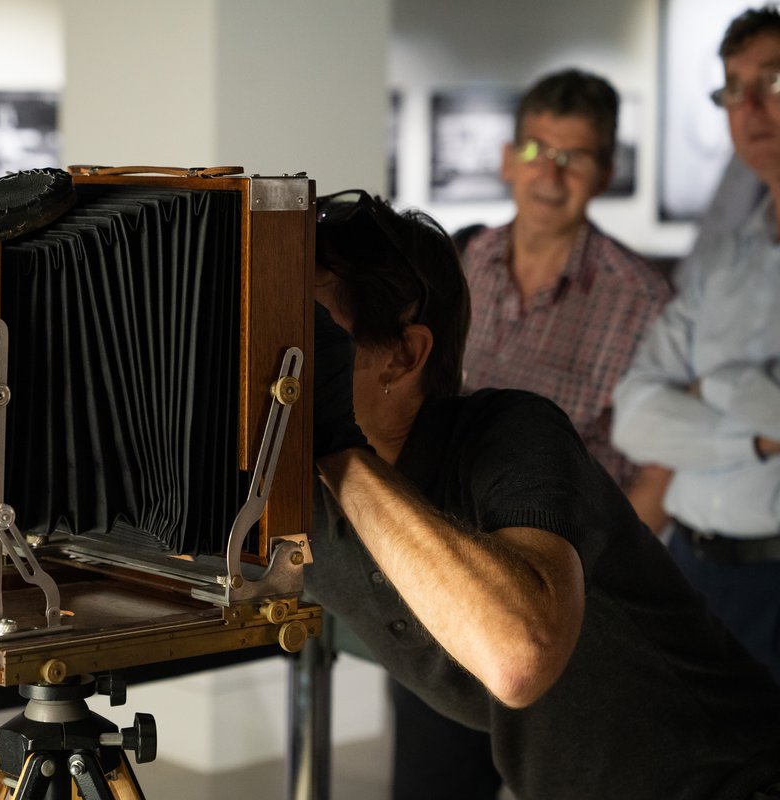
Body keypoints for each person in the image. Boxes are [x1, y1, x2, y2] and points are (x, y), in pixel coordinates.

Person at [307, 188, 780, 799]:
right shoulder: (297, 473)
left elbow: (518, 657)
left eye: (317, 332)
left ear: (402, 354)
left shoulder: (514, 434)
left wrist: (342, 451)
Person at [612, 5, 780, 684]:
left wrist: (715, 388)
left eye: (773, 80)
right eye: (733, 88)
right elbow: (636, 413)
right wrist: (760, 432)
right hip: (693, 568)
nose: (751, 107)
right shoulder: (726, 261)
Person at [462, 68, 673, 532]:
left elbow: (664, 471)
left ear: (604, 176)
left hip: (572, 574)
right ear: (508, 160)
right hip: (455, 552)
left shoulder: (643, 300)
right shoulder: (468, 261)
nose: (550, 174)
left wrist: (600, 583)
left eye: (574, 157)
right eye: (536, 150)